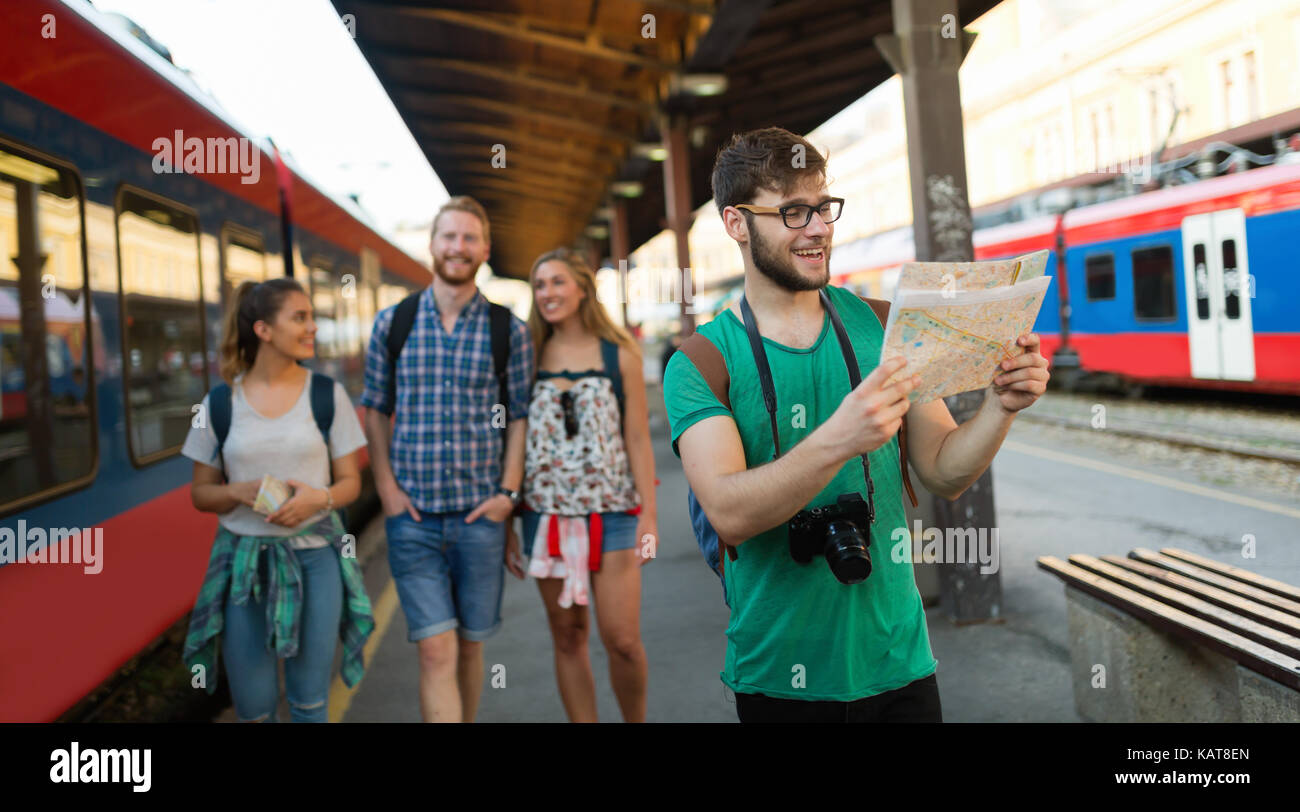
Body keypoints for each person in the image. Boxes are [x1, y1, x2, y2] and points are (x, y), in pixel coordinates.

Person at [663, 127, 1050, 723]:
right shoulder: (702, 362)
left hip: (900, 665)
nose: (818, 228)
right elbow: (729, 511)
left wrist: (1002, 407)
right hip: (779, 677)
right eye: (792, 212)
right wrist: (839, 439)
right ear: (737, 223)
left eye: (822, 208)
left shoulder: (883, 326)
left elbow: (944, 471)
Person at [361, 196, 533, 723]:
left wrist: (508, 495)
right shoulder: (393, 324)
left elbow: (519, 417)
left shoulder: (510, 331)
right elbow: (374, 408)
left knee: (470, 646)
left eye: (468, 238)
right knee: (436, 650)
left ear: (484, 249)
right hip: (412, 519)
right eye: (448, 237)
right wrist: (386, 489)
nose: (457, 247)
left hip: (479, 517)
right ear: (433, 245)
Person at [182, 278, 374, 723]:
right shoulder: (219, 404)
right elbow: (200, 494)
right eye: (300, 318)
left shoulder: (327, 396)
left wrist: (318, 499)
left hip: (316, 561)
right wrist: (235, 491)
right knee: (255, 708)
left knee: (309, 703)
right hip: (243, 567)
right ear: (264, 330)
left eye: (311, 318)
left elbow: (351, 483)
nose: (313, 328)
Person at [503, 248, 657, 722]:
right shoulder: (524, 354)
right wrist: (509, 519)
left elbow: (636, 437)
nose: (547, 293)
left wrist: (648, 514)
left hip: (612, 513)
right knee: (568, 636)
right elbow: (511, 433)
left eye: (557, 282)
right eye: (540, 285)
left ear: (583, 288)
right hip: (543, 516)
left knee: (623, 640)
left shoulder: (619, 353)